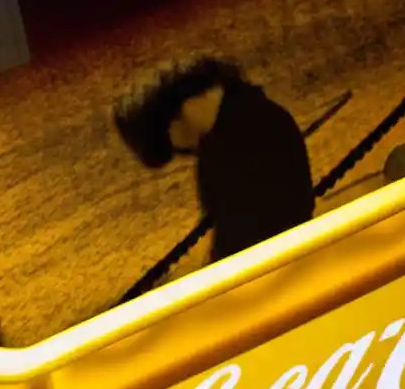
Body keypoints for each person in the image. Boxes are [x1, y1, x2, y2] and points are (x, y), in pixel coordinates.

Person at [115, 58, 315, 261]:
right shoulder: (236, 125)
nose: (181, 151)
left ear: (175, 116)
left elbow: (237, 244)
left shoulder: (243, 140)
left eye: (172, 146)